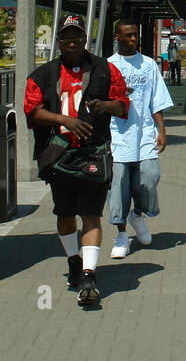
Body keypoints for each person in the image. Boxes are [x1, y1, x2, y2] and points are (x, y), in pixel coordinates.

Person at [24, 16, 130, 308]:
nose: (71, 43)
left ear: (85, 39)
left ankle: (88, 274)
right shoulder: (42, 75)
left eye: (76, 37)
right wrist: (64, 120)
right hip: (58, 157)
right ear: (58, 41)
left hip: (94, 153)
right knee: (65, 213)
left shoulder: (106, 71)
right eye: (65, 38)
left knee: (92, 215)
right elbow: (33, 112)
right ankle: (73, 260)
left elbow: (122, 106)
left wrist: (104, 105)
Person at [106, 19, 173, 258]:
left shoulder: (148, 65)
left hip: (145, 134)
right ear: (118, 38)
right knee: (118, 189)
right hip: (118, 137)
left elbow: (156, 100)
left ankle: (138, 214)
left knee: (149, 177)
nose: (133, 39)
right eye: (128, 35)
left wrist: (161, 130)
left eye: (135, 35)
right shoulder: (108, 66)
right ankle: (122, 235)